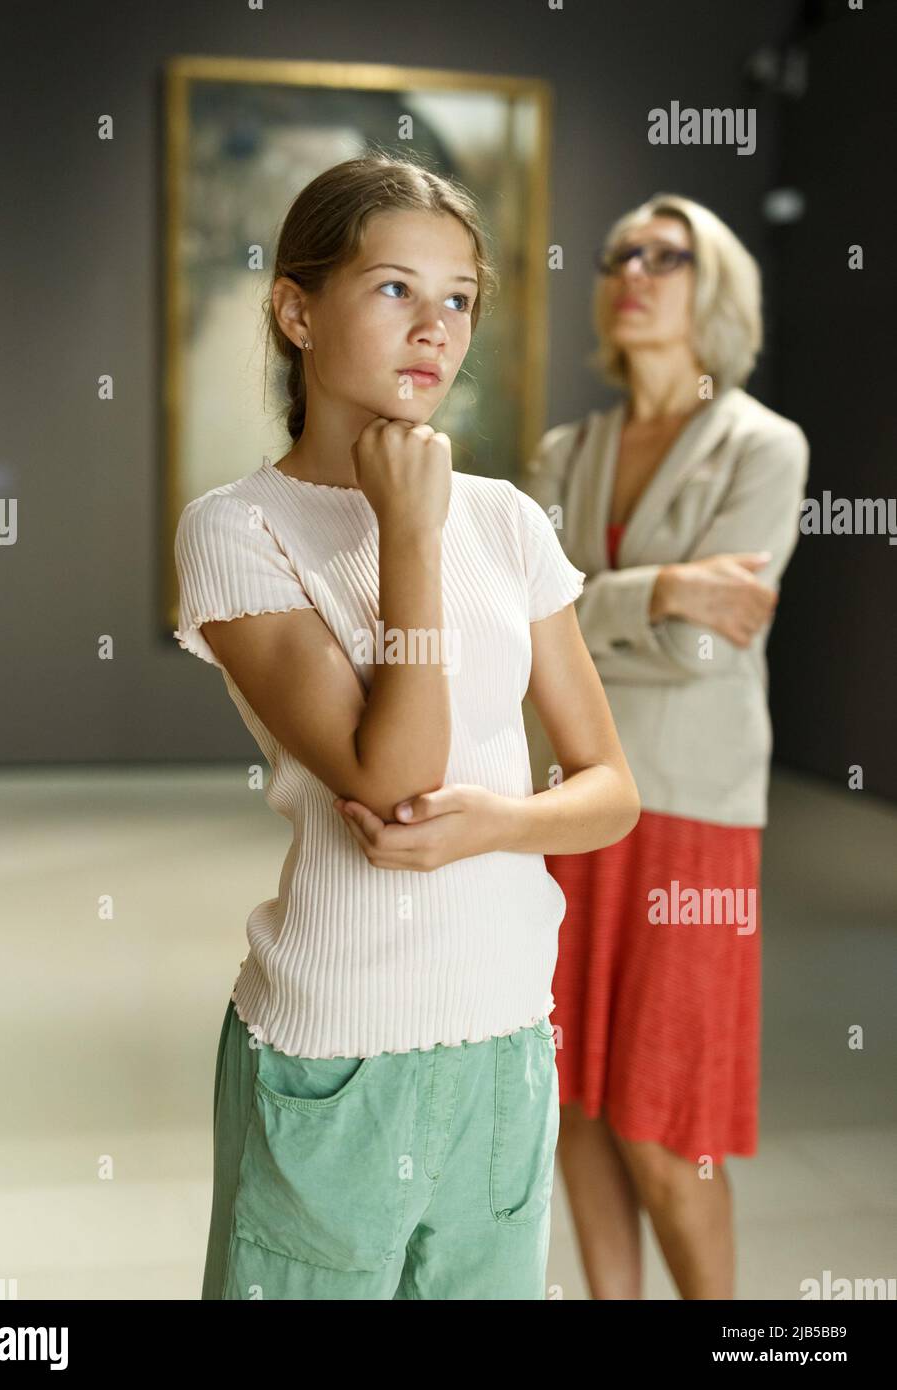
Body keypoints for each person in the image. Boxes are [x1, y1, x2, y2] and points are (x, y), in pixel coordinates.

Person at [173, 152, 640, 1301]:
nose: (433, 328)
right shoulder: (237, 529)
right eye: (392, 289)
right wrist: (407, 533)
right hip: (338, 1057)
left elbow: (609, 790)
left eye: (458, 299)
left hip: (505, 1044)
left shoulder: (510, 518)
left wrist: (495, 827)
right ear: (295, 308)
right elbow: (394, 772)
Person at [521, 193, 809, 1299]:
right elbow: (520, 623)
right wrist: (666, 588)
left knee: (661, 1119)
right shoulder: (566, 448)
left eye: (665, 255)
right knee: (573, 1098)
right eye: (616, 254)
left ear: (714, 285)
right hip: (569, 801)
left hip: (685, 816)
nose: (633, 270)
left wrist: (593, 611)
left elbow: (702, 641)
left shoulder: (762, 446)